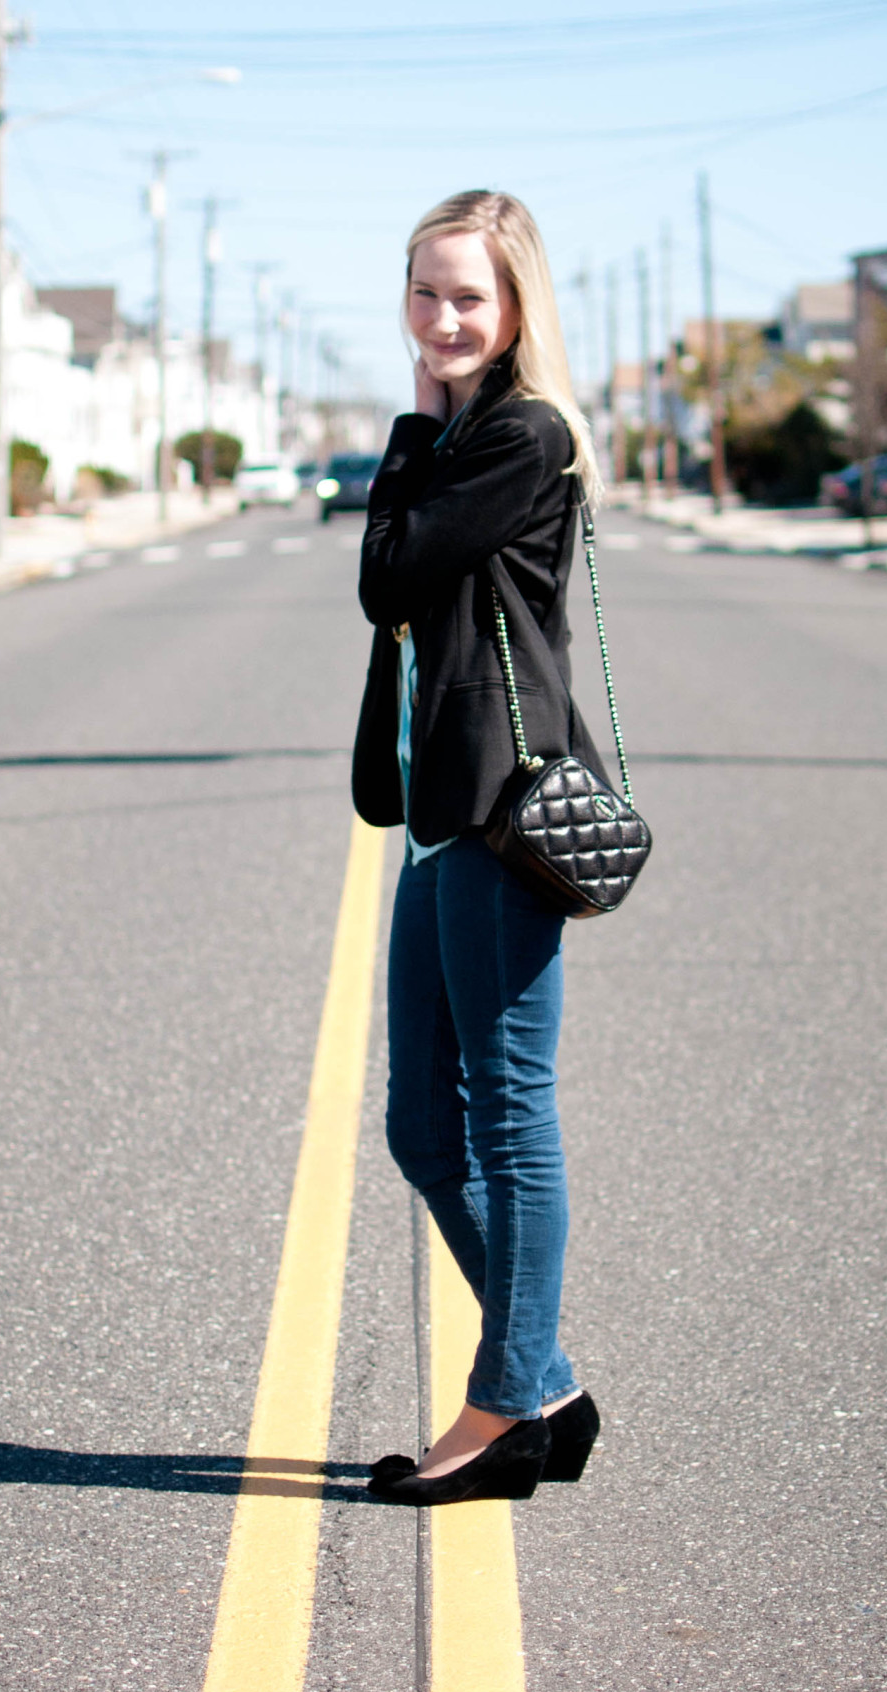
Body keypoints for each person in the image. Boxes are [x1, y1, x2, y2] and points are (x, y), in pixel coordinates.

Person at [353, 190, 606, 1507]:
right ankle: (547, 1382)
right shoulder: (474, 435)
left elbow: (389, 571)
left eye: (469, 296)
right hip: (443, 813)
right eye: (425, 292)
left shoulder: (517, 437)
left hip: (506, 814)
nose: (444, 317)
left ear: (515, 311)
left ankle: (504, 1406)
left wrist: (414, 421)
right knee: (421, 1127)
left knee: (509, 1117)